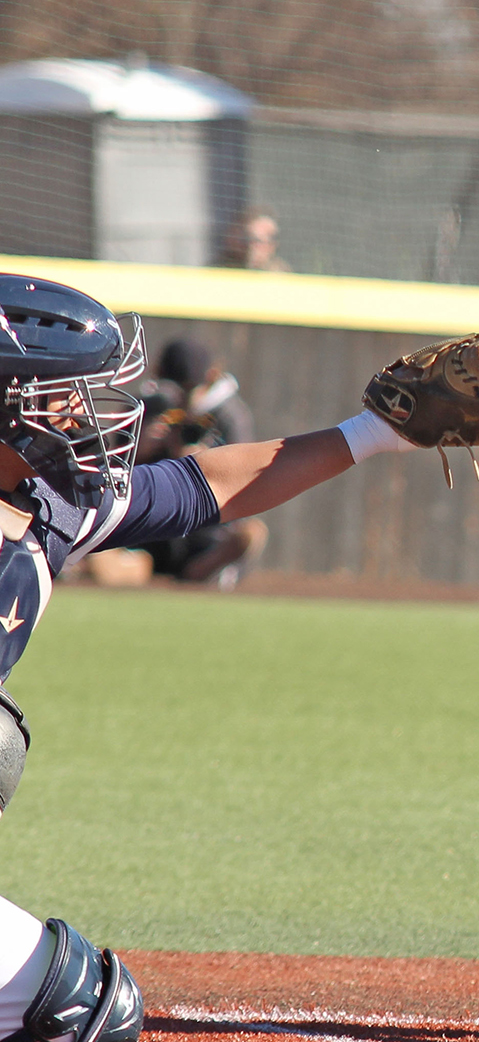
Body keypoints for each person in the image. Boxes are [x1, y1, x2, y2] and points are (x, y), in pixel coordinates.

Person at [0, 272, 423, 1042]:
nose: (93, 413)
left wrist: (375, 434)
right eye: (65, 395)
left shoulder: (48, 501)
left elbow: (209, 486)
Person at [130, 339, 265, 588]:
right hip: (149, 530)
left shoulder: (230, 415)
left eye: (189, 389)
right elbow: (110, 472)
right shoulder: (150, 406)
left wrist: (202, 461)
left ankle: (203, 570)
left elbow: (245, 480)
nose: (180, 399)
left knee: (251, 533)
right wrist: (141, 449)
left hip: (206, 532)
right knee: (121, 559)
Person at [214, 208, 292, 272]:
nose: (251, 246)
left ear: (272, 245)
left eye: (258, 241)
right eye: (247, 239)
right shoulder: (223, 271)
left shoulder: (281, 275)